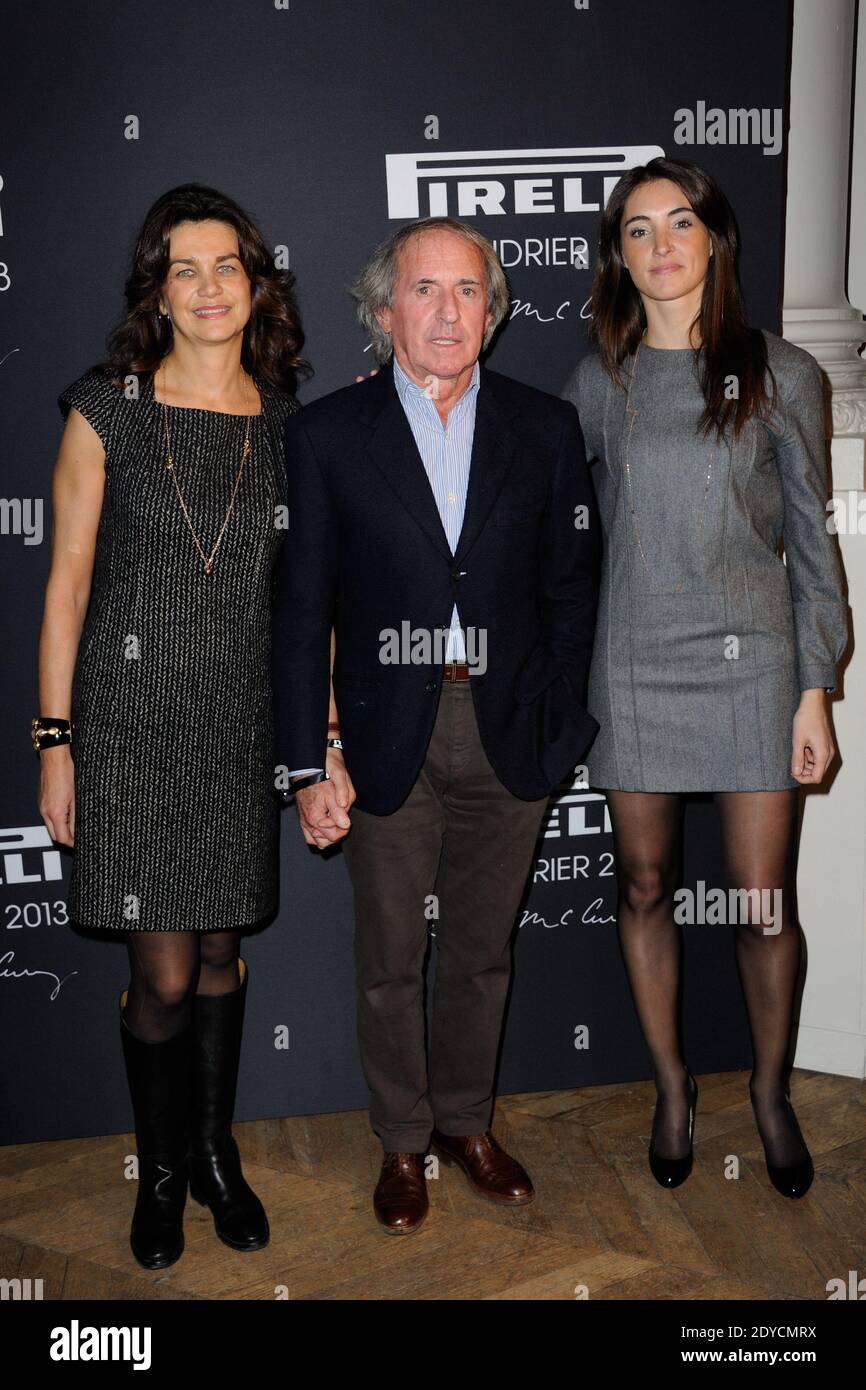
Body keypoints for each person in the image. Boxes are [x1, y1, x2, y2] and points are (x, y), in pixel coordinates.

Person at [272, 215, 601, 1234]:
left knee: (479, 952)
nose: (448, 310)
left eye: (468, 291)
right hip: (380, 732)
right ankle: (401, 1142)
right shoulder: (326, 436)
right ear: (384, 312)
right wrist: (304, 760)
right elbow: (300, 609)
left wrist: (550, 718)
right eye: (425, 289)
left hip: (508, 727)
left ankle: (465, 1125)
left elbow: (570, 589)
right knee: (387, 957)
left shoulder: (544, 429)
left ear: (492, 313)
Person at [36, 183, 335, 1268]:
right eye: (184, 269)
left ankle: (216, 1155)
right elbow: (66, 584)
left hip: (239, 724)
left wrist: (324, 740)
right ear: (156, 291)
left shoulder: (294, 427)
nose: (208, 288)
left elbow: (310, 614)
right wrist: (54, 740)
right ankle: (157, 1173)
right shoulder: (106, 406)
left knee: (219, 952)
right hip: (126, 725)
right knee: (162, 972)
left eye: (227, 266)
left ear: (255, 284)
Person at [561, 157, 849, 1199]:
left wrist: (814, 682)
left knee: (761, 902)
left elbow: (815, 548)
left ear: (714, 238)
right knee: (640, 884)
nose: (660, 244)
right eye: (635, 230)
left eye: (678, 222)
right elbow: (557, 522)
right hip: (630, 662)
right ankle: (671, 1089)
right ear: (617, 257)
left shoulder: (781, 373)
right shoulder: (600, 381)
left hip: (754, 667)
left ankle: (768, 1094)